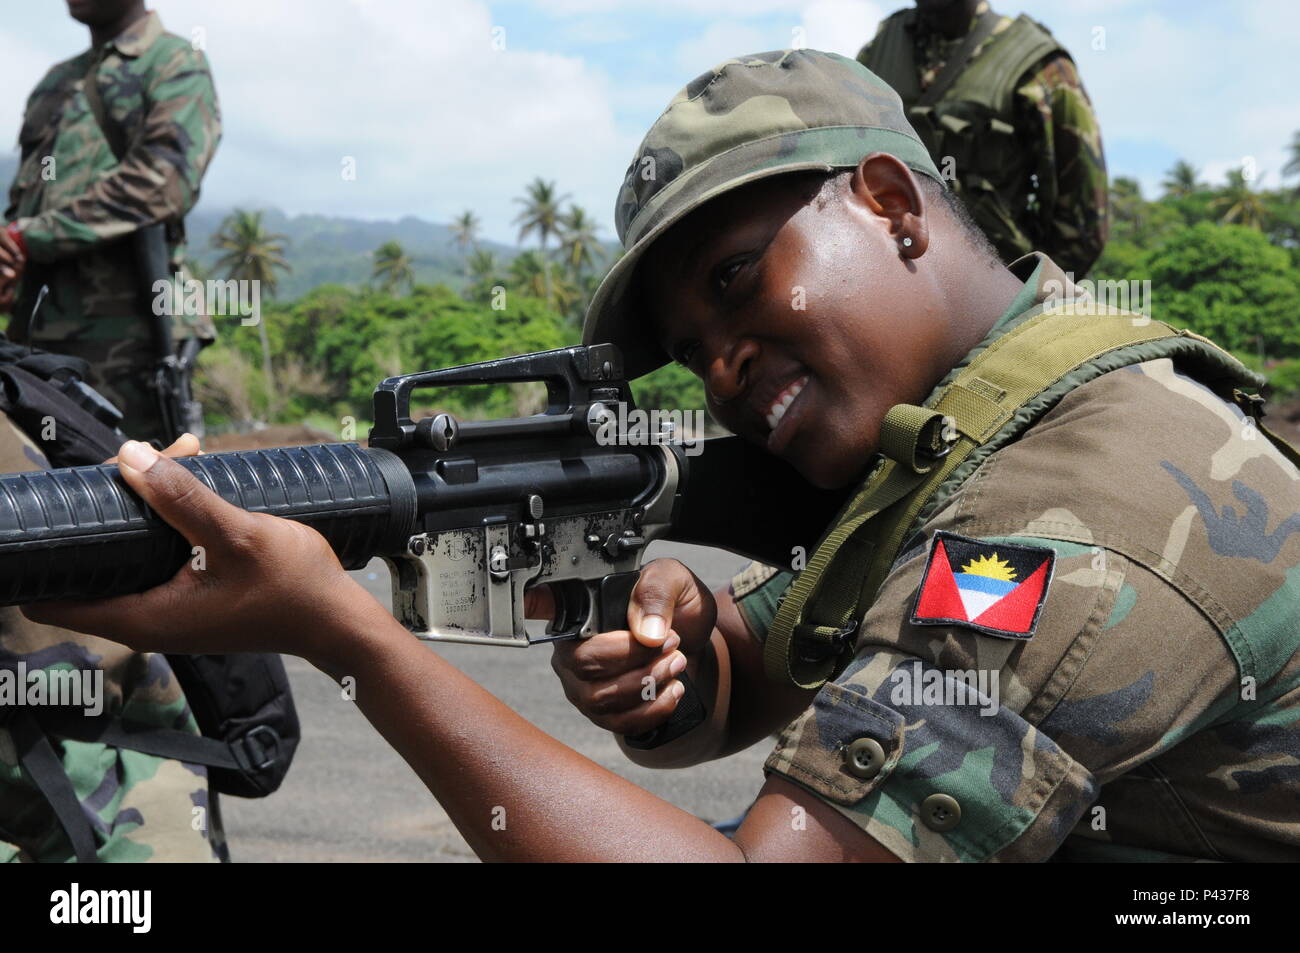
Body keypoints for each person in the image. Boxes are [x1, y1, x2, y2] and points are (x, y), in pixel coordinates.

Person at [26, 50, 1300, 861]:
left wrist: (350, 638)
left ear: (892, 204)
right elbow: (745, 672)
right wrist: (690, 645)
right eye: (689, 350)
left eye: (741, 280)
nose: (724, 364)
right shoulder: (983, 429)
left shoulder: (1071, 523)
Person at [1, 0, 221, 445]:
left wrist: (29, 240)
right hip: (35, 344)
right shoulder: (55, 81)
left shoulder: (176, 61)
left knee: (136, 494)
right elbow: (26, 197)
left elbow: (162, 184)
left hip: (129, 344)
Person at [857, 0, 1108, 277]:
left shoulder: (1038, 64)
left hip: (994, 286)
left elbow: (1083, 222)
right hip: (890, 278)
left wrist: (1022, 298)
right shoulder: (880, 49)